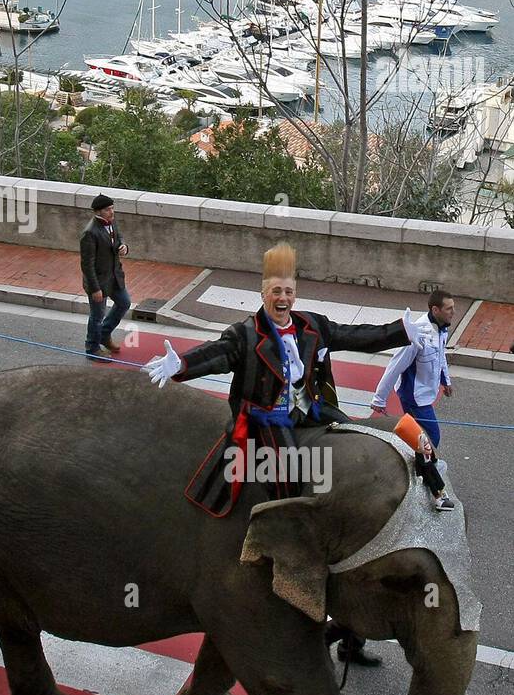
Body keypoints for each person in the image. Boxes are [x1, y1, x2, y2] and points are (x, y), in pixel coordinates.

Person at [144, 243, 431, 666]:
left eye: (288, 292)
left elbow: (358, 337)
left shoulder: (312, 325)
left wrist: (399, 331)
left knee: (363, 442)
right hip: (267, 425)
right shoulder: (244, 335)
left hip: (312, 413)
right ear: (263, 293)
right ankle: (290, 564)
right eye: (275, 291)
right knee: (293, 478)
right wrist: (181, 366)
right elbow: (219, 356)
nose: (282, 299)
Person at [370, 289, 456, 454]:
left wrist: (446, 381)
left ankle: (407, 461)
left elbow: (440, 355)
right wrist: (379, 399)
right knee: (431, 438)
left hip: (425, 393)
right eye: (449, 308)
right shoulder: (417, 334)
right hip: (415, 398)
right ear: (435, 310)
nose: (454, 312)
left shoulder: (442, 328)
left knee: (417, 436)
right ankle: (421, 468)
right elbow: (395, 366)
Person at [80, 193, 130, 358]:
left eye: (112, 208)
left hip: (115, 277)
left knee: (124, 303)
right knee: (97, 316)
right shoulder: (90, 233)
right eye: (108, 209)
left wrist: (123, 246)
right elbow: (87, 265)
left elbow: (118, 237)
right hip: (99, 282)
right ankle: (92, 349)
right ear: (99, 212)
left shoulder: (111, 222)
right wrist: (95, 289)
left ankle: (104, 334)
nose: (112, 212)